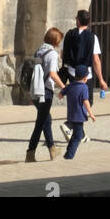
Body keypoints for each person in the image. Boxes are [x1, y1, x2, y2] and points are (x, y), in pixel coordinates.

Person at [59, 10, 107, 143]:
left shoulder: (69, 34)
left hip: (72, 72)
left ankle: (80, 134)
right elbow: (96, 59)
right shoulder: (92, 37)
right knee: (87, 101)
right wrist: (101, 79)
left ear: (78, 20)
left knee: (75, 101)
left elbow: (63, 54)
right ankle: (69, 125)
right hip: (86, 74)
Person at [24, 27, 65, 162]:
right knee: (41, 122)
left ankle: (52, 149)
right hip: (45, 92)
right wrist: (63, 87)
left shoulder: (39, 51)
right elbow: (53, 74)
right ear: (55, 40)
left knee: (46, 119)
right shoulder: (52, 54)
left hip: (35, 90)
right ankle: (30, 152)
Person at [60, 65, 95, 160]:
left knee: (75, 133)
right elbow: (86, 101)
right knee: (78, 136)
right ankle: (69, 155)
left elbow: (61, 93)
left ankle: (68, 126)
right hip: (79, 116)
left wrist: (61, 95)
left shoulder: (70, 85)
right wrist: (91, 114)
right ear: (84, 77)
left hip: (71, 114)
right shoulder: (84, 88)